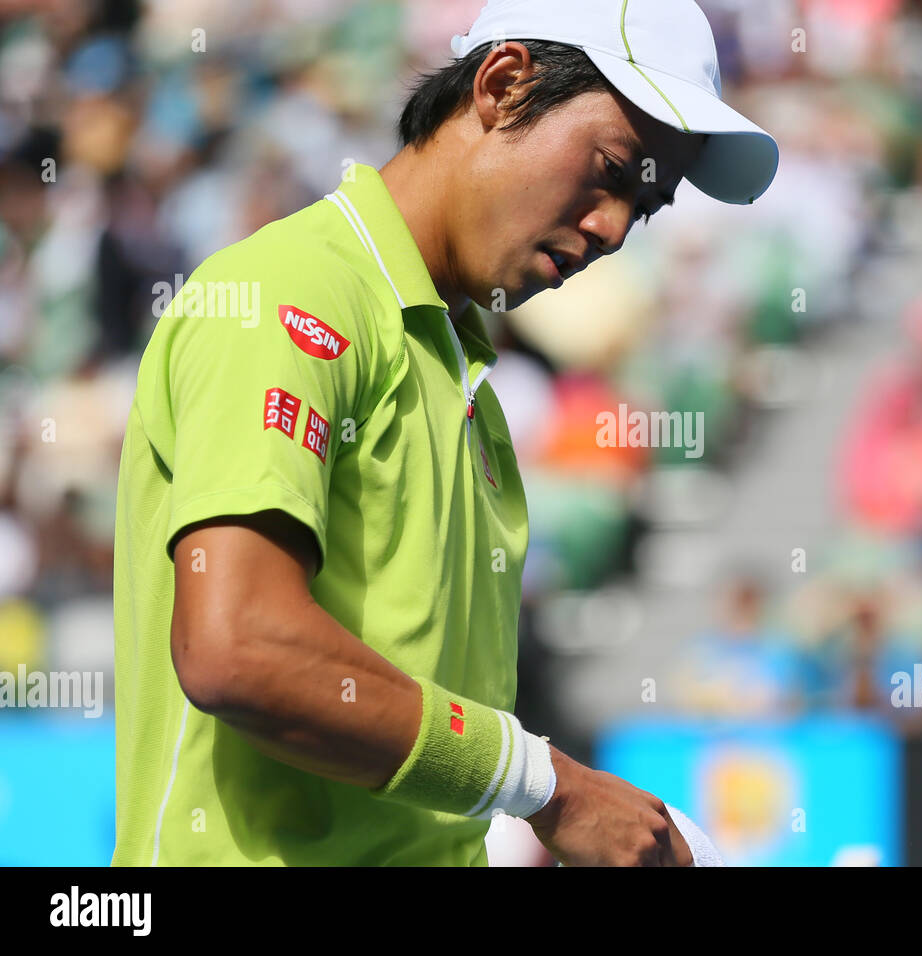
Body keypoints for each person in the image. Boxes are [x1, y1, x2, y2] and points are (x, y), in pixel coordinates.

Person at [110, 0, 777, 867]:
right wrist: (551, 786)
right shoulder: (292, 296)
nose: (614, 229)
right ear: (502, 85)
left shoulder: (467, 385)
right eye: (612, 169)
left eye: (644, 204)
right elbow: (238, 648)